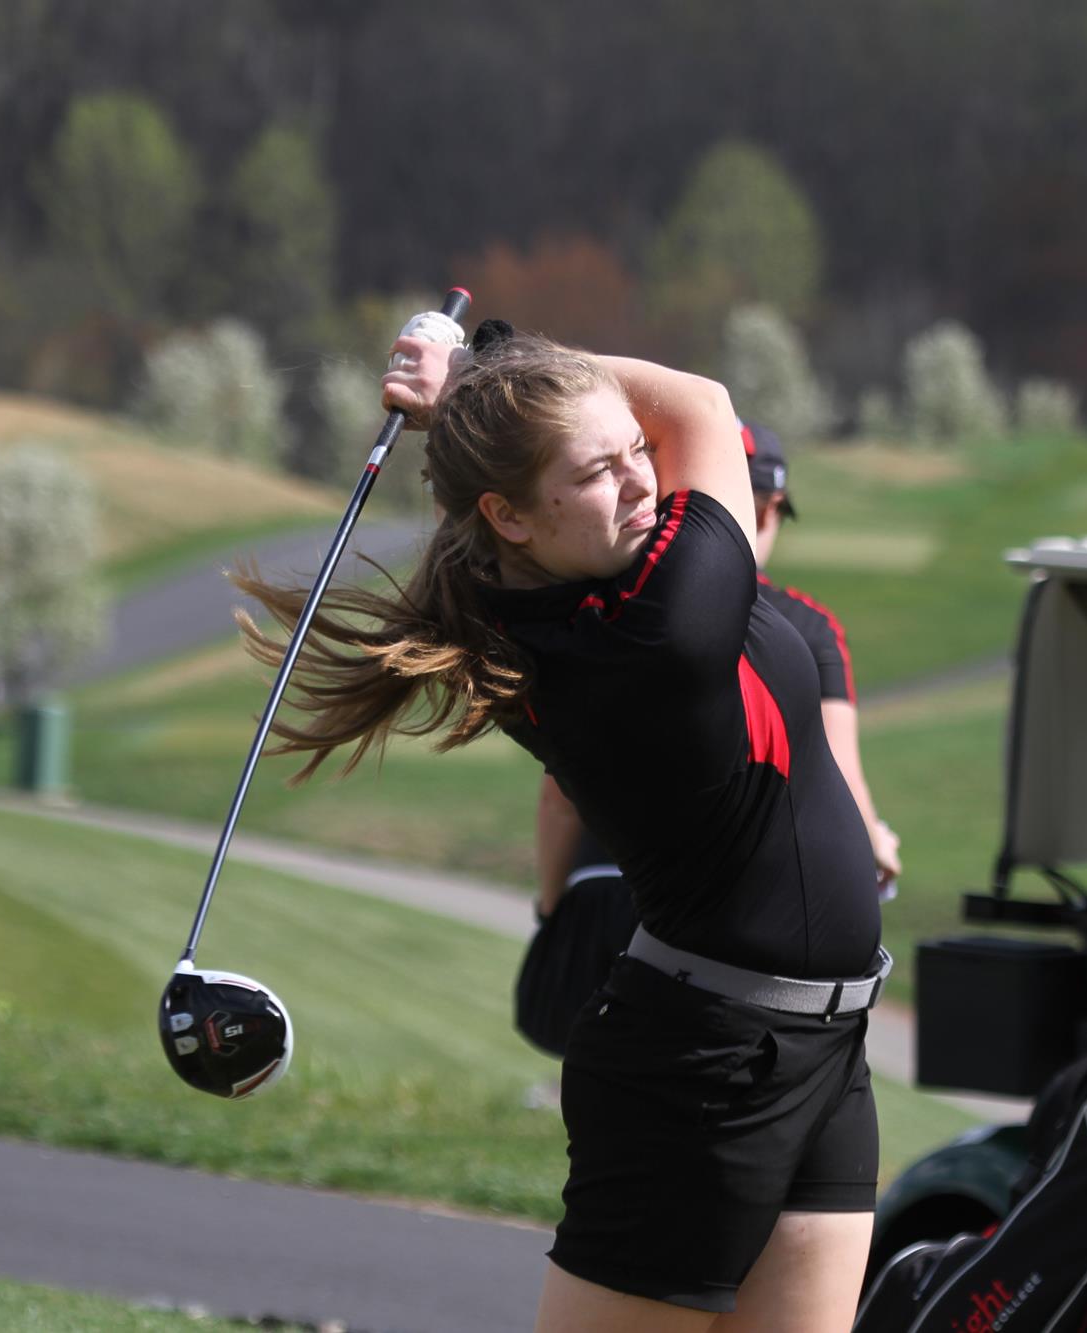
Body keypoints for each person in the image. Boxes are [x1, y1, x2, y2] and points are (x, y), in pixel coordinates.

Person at [231, 327, 889, 1331]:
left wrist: (478, 386)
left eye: (634, 453)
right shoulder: (661, 626)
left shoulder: (561, 591)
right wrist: (485, 369)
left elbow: (638, 434)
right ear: (508, 516)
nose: (637, 480)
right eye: (597, 471)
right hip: (700, 1065)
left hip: (824, 1041)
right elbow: (702, 404)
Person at [517, 418, 901, 1059]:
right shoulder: (805, 625)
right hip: (730, 932)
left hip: (602, 896)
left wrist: (552, 911)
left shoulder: (615, 607)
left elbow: (561, 798)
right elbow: (839, 781)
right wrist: (875, 841)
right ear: (771, 507)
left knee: (610, 1102)